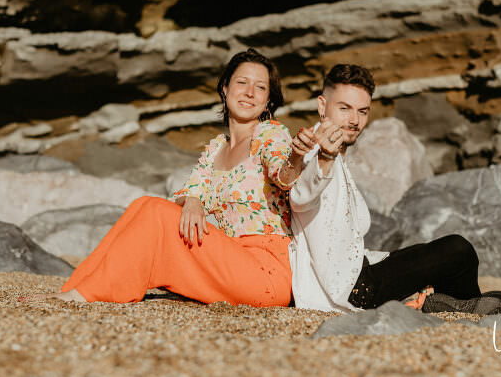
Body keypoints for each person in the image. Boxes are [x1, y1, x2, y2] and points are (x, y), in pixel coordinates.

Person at [23, 48, 307, 306]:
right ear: (225, 88)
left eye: (260, 87)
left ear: (268, 99)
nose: (249, 92)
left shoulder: (271, 134)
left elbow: (284, 175)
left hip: (265, 271)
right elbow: (189, 193)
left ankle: (82, 296)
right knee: (144, 205)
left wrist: (295, 157)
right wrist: (193, 200)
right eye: (242, 82)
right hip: (229, 257)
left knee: (157, 212)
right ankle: (74, 289)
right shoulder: (215, 148)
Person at [288, 64, 501, 314]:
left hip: (361, 269)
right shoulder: (311, 151)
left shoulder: (337, 156)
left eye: (362, 111)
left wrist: (392, 259)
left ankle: (449, 302)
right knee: (458, 250)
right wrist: (324, 157)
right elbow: (300, 198)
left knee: (431, 252)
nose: (354, 120)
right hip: (354, 290)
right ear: (322, 106)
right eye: (344, 108)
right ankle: (462, 304)